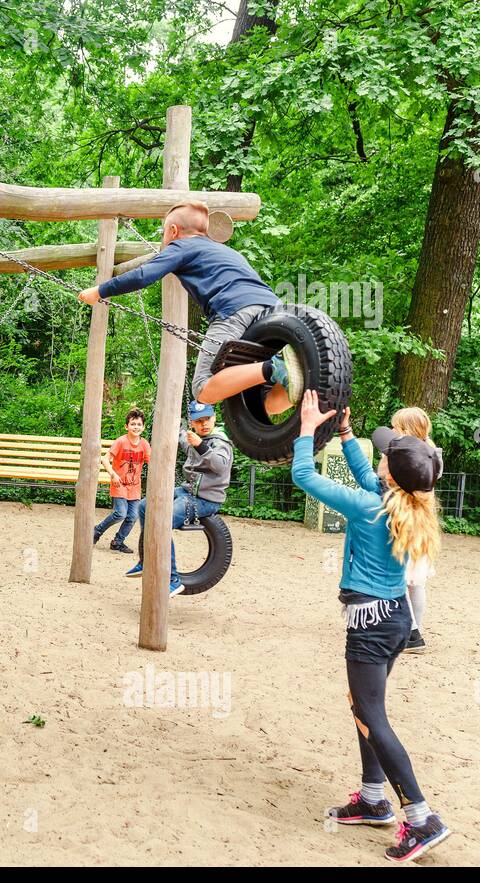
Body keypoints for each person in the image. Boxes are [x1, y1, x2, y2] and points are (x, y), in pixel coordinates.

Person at [292, 391, 449, 863]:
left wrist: (305, 427)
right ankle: (373, 797)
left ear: (390, 470)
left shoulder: (367, 506)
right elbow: (367, 476)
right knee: (365, 708)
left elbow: (304, 475)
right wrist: (344, 432)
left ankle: (422, 819)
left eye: (383, 453)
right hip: (397, 619)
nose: (378, 456)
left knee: (373, 716)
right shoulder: (405, 500)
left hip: (370, 623)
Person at [77, 201, 310, 417]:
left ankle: (274, 367)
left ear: (174, 231)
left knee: (202, 389)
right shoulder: (229, 252)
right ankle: (303, 379)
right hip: (275, 311)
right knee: (265, 405)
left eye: (164, 232)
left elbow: (143, 275)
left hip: (234, 310)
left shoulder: (181, 245)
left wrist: (99, 292)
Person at [124, 400, 232, 595]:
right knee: (143, 506)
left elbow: (221, 465)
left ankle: (172, 578)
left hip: (206, 499)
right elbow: (180, 434)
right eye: (199, 421)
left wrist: (201, 446)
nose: (204, 424)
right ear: (192, 423)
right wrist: (169, 419)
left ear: (214, 418)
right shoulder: (192, 437)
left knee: (162, 521)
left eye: (208, 419)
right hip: (187, 491)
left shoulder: (219, 442)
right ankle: (145, 560)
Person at [391, 407, 442, 654]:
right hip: (425, 521)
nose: (392, 431)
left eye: (396, 427)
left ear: (406, 429)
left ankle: (411, 633)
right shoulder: (432, 453)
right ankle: (415, 629)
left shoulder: (405, 454)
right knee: (416, 582)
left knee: (400, 580)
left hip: (407, 521)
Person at [93, 407, 151, 554]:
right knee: (120, 514)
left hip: (135, 486)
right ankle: (96, 531)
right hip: (119, 483)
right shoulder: (121, 441)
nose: (136, 427)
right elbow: (105, 459)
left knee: (133, 516)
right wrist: (113, 474)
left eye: (139, 424)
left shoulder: (144, 444)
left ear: (143, 427)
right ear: (127, 426)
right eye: (133, 424)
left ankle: (118, 542)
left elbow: (153, 462)